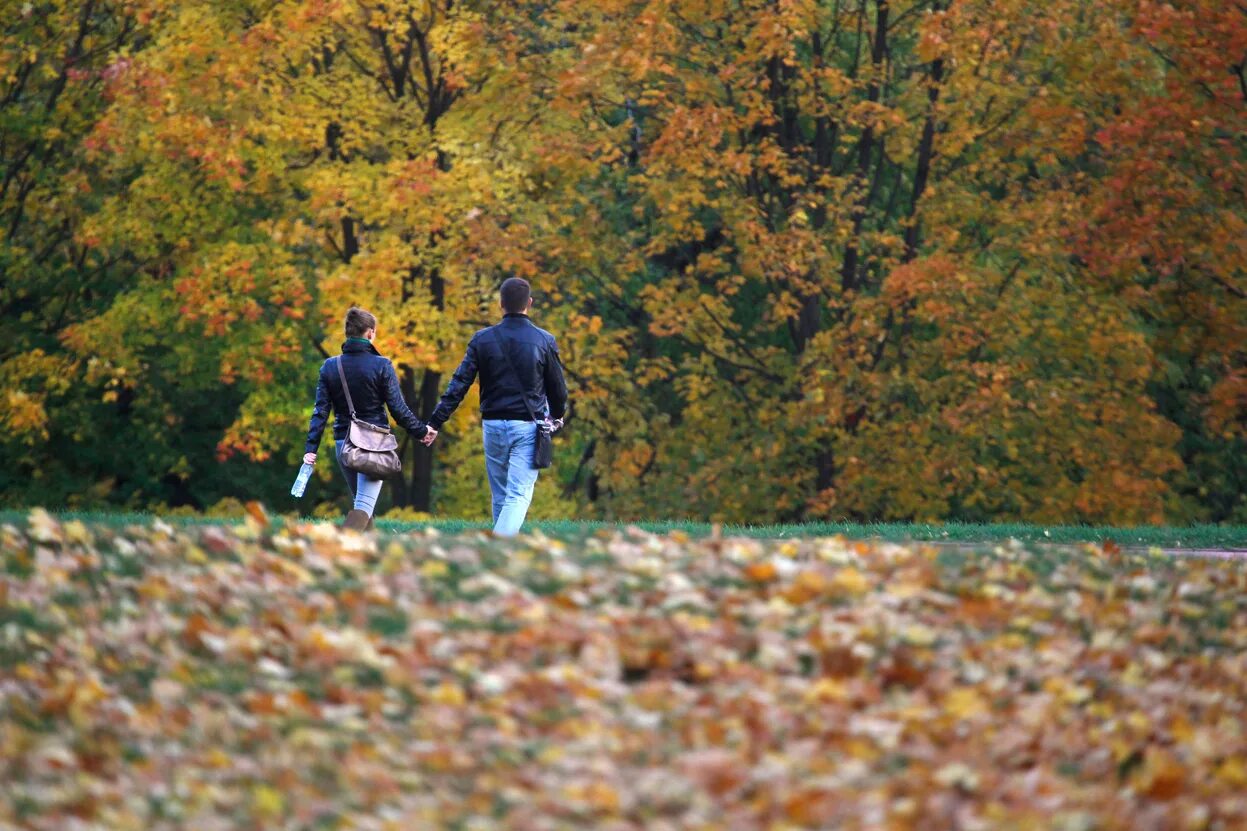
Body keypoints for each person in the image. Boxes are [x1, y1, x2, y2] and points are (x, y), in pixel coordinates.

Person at [425, 277, 568, 536]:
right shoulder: (544, 340)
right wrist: (557, 416)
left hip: (491, 425)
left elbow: (459, 384)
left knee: (501, 495)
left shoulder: (482, 340)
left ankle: (500, 557)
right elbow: (558, 388)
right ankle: (495, 546)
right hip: (526, 426)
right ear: (530, 303)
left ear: (501, 304)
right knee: (518, 495)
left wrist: (435, 422)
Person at [303, 307, 430, 530]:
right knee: (363, 505)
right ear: (370, 333)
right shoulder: (381, 365)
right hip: (373, 445)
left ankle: (365, 559)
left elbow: (320, 411)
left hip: (344, 444)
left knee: (362, 505)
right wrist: (421, 431)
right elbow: (398, 409)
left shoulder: (330, 366)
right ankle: (339, 549)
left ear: (348, 332)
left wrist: (311, 447)